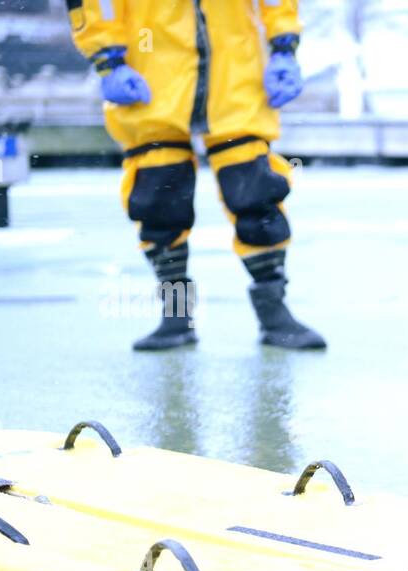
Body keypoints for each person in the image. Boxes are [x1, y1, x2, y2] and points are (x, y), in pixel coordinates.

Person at [65, 0, 326, 351]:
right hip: (152, 74)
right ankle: (176, 316)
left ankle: (273, 310)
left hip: (235, 70)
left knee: (256, 193)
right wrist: (108, 60)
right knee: (158, 200)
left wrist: (284, 46)